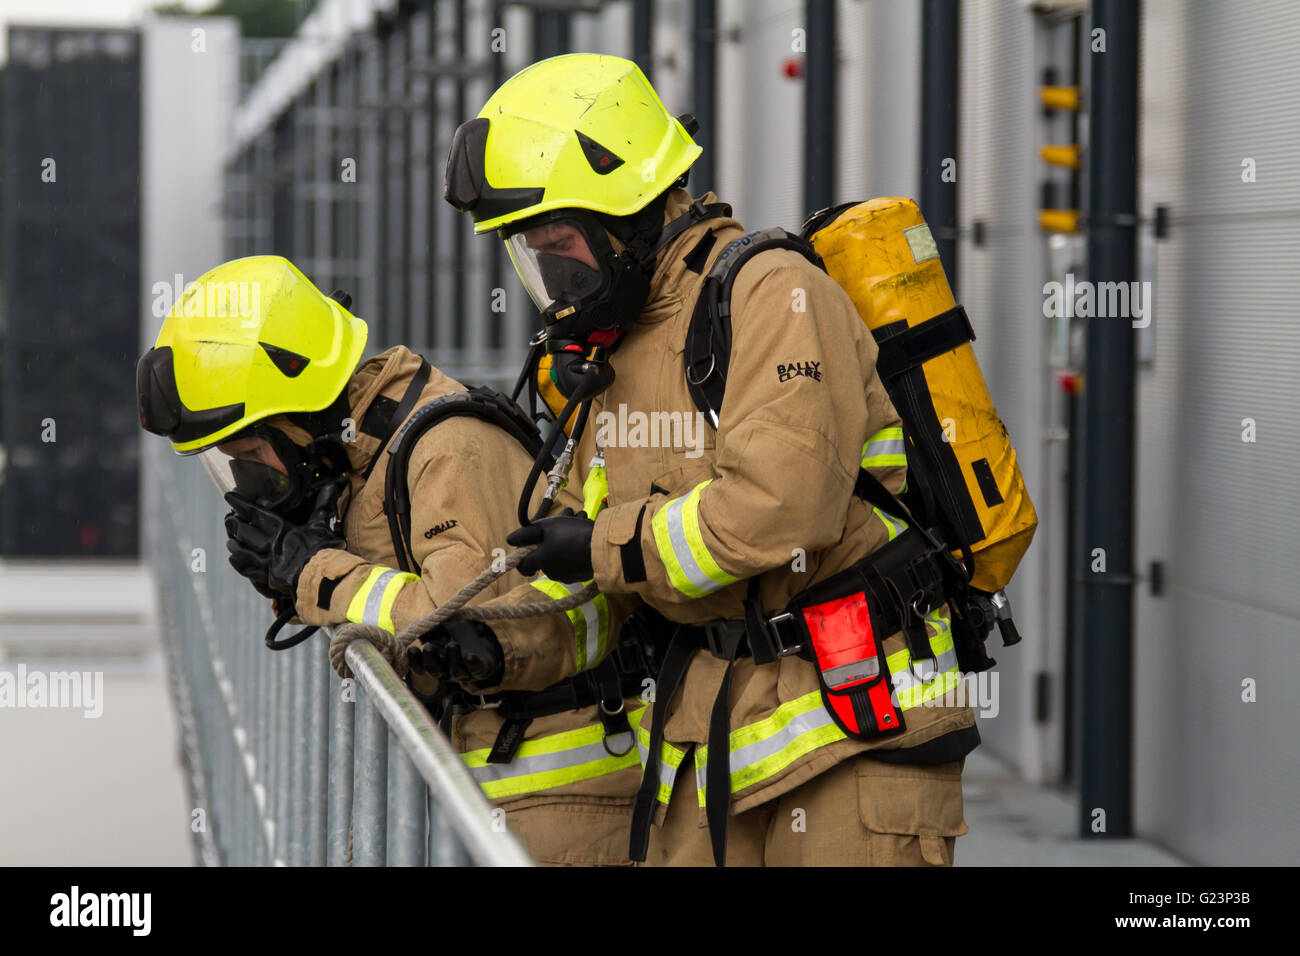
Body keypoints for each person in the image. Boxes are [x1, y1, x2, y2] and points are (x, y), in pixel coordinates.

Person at [443, 54, 978, 866]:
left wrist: (599, 546)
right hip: (710, 726)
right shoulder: (620, 346)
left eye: (559, 248)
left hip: (852, 727)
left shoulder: (771, 295)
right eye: (529, 258)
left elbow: (781, 511)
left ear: (625, 213)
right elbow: (592, 556)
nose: (552, 284)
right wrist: (471, 634)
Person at [136, 254, 648, 865]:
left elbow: (458, 630)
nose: (245, 483)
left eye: (247, 453)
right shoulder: (358, 456)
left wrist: (315, 573)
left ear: (298, 417)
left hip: (550, 806)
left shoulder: (446, 449)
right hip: (482, 801)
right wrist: (292, 570)